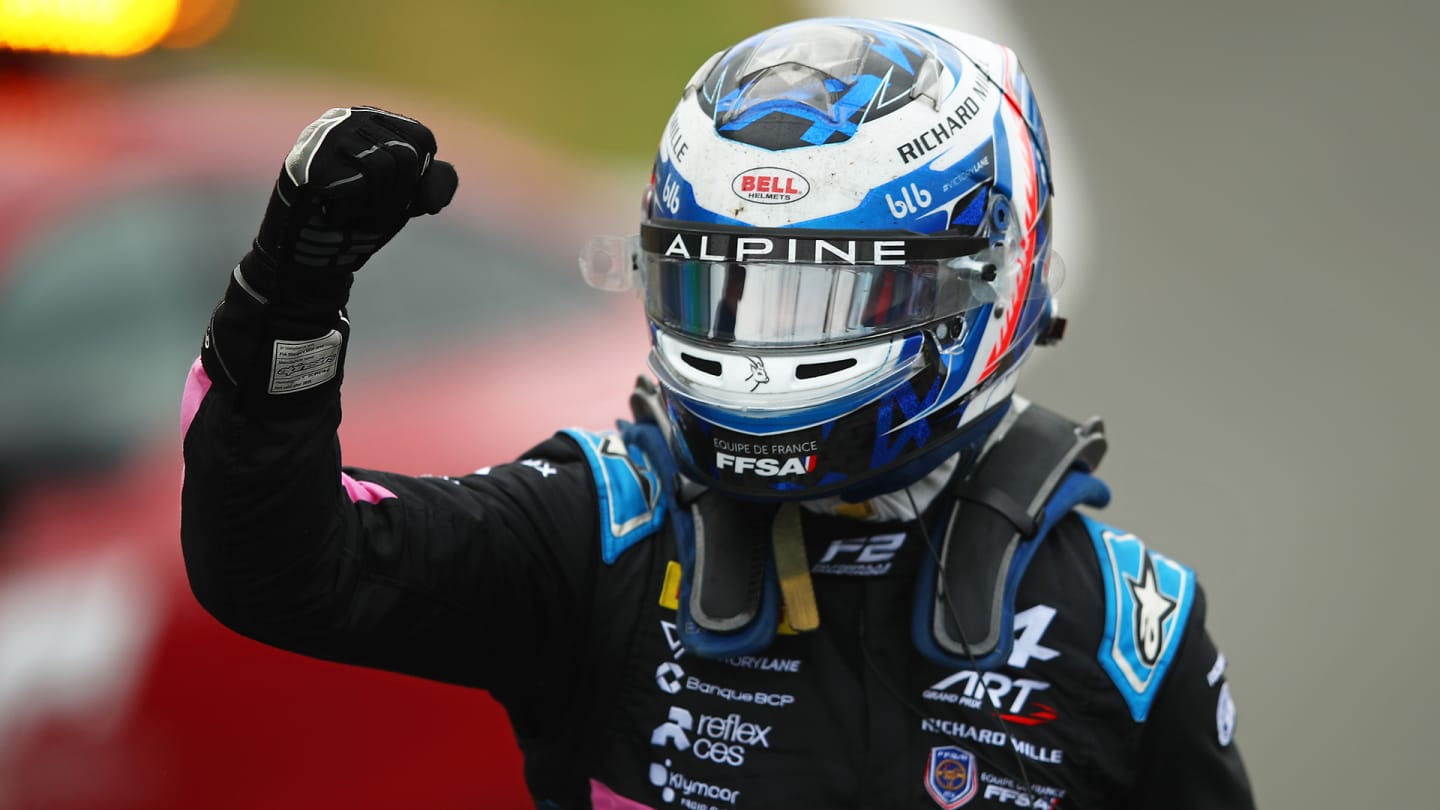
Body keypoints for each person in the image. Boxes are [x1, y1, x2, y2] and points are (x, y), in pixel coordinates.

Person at [180, 17, 1253, 809]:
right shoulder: (605, 535)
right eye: (724, 289)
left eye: (820, 292)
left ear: (987, 280)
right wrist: (291, 297)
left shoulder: (1126, 635)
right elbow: (274, 565)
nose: (757, 350)